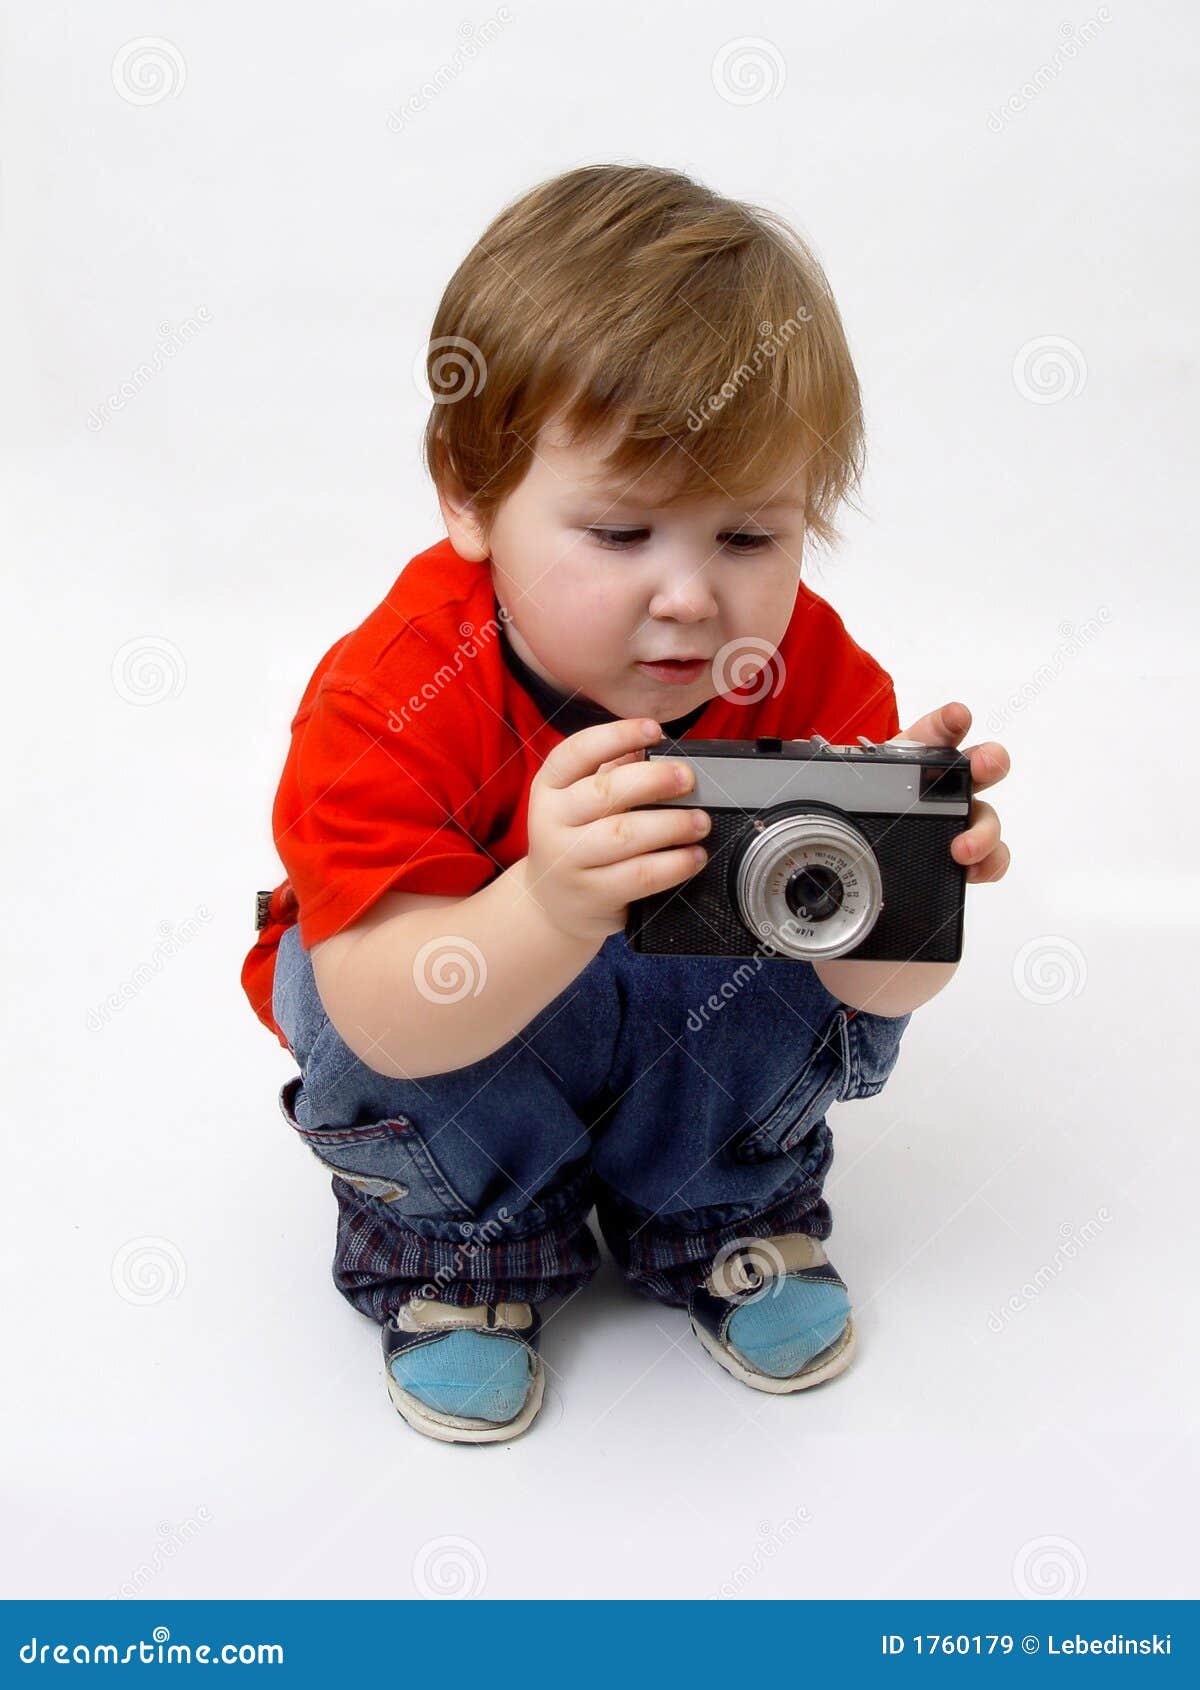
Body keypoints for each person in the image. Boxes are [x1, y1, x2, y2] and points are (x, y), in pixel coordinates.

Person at [241, 163, 1011, 1444]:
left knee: (774, 920)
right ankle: (463, 1247)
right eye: (619, 534)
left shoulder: (803, 670)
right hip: (445, 1052)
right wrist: (543, 902)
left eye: (749, 538)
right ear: (469, 497)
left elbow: (871, 998)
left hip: (688, 1059)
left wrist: (905, 902)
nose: (692, 597)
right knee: (361, 955)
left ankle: (711, 1202)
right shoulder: (397, 689)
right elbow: (383, 1019)